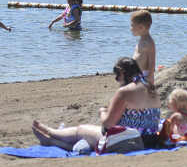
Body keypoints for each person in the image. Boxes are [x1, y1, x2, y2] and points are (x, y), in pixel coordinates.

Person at [31, 57, 161, 153]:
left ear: (122, 73)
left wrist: (102, 111)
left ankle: (51, 132)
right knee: (89, 138)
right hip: (150, 140)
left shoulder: (124, 92)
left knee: (80, 130)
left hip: (129, 140)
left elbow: (108, 124)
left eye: (117, 76)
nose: (117, 80)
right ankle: (51, 141)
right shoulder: (151, 88)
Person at [130, 10, 156, 82]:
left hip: (144, 76)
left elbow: (152, 62)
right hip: (137, 74)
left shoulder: (149, 42)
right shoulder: (142, 40)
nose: (130, 28)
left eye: (132, 25)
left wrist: (150, 79)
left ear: (141, 27)